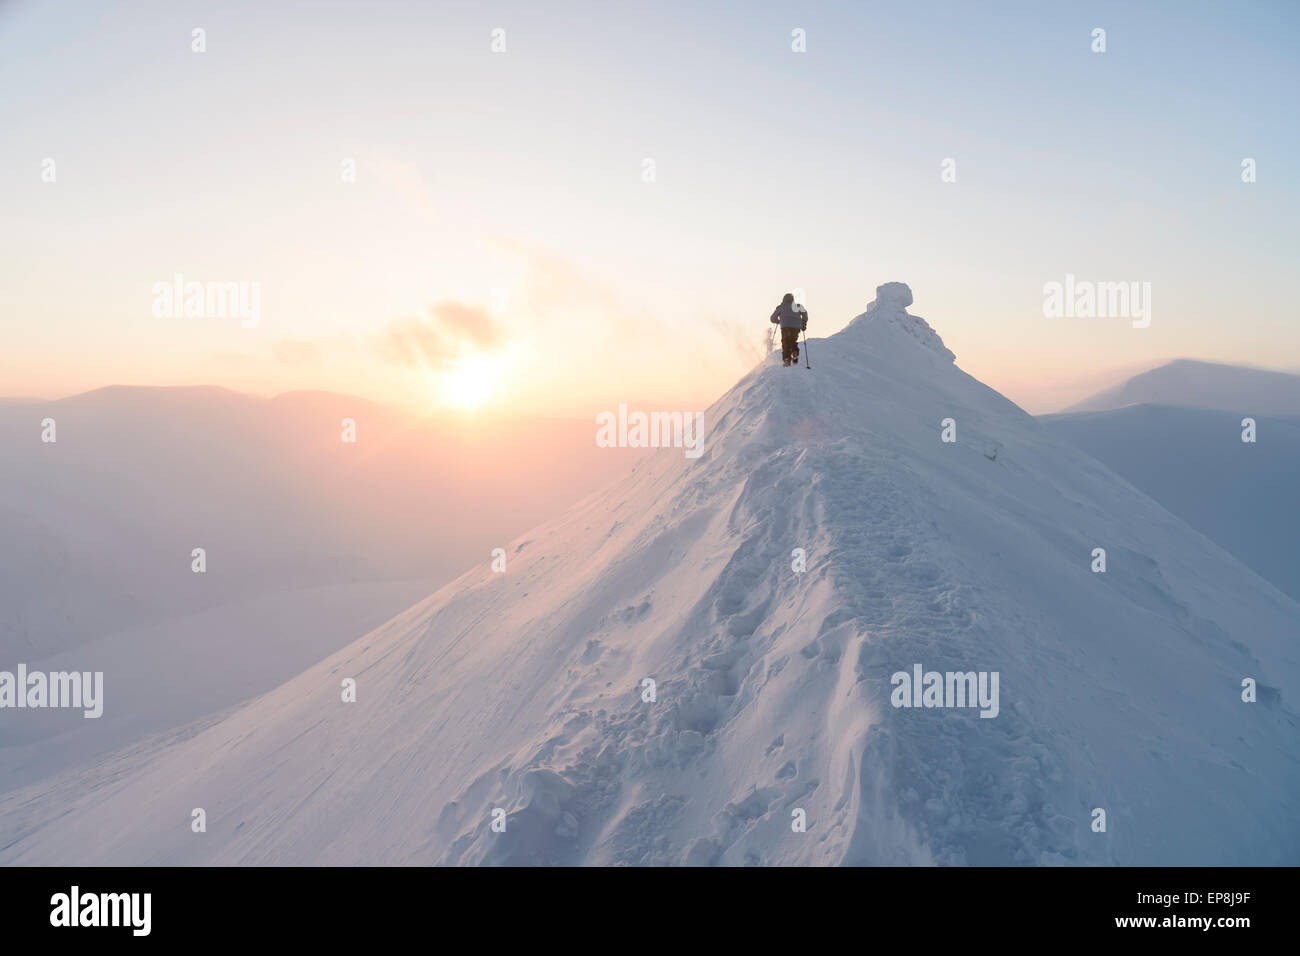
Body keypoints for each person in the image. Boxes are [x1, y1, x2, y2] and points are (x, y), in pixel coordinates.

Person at [769, 293, 808, 367]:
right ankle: (794, 352)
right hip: (796, 326)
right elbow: (805, 314)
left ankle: (787, 359)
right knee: (793, 340)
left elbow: (772, 318)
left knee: (785, 342)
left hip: (785, 326)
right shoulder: (798, 306)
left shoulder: (780, 307)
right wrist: (803, 323)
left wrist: (778, 321)